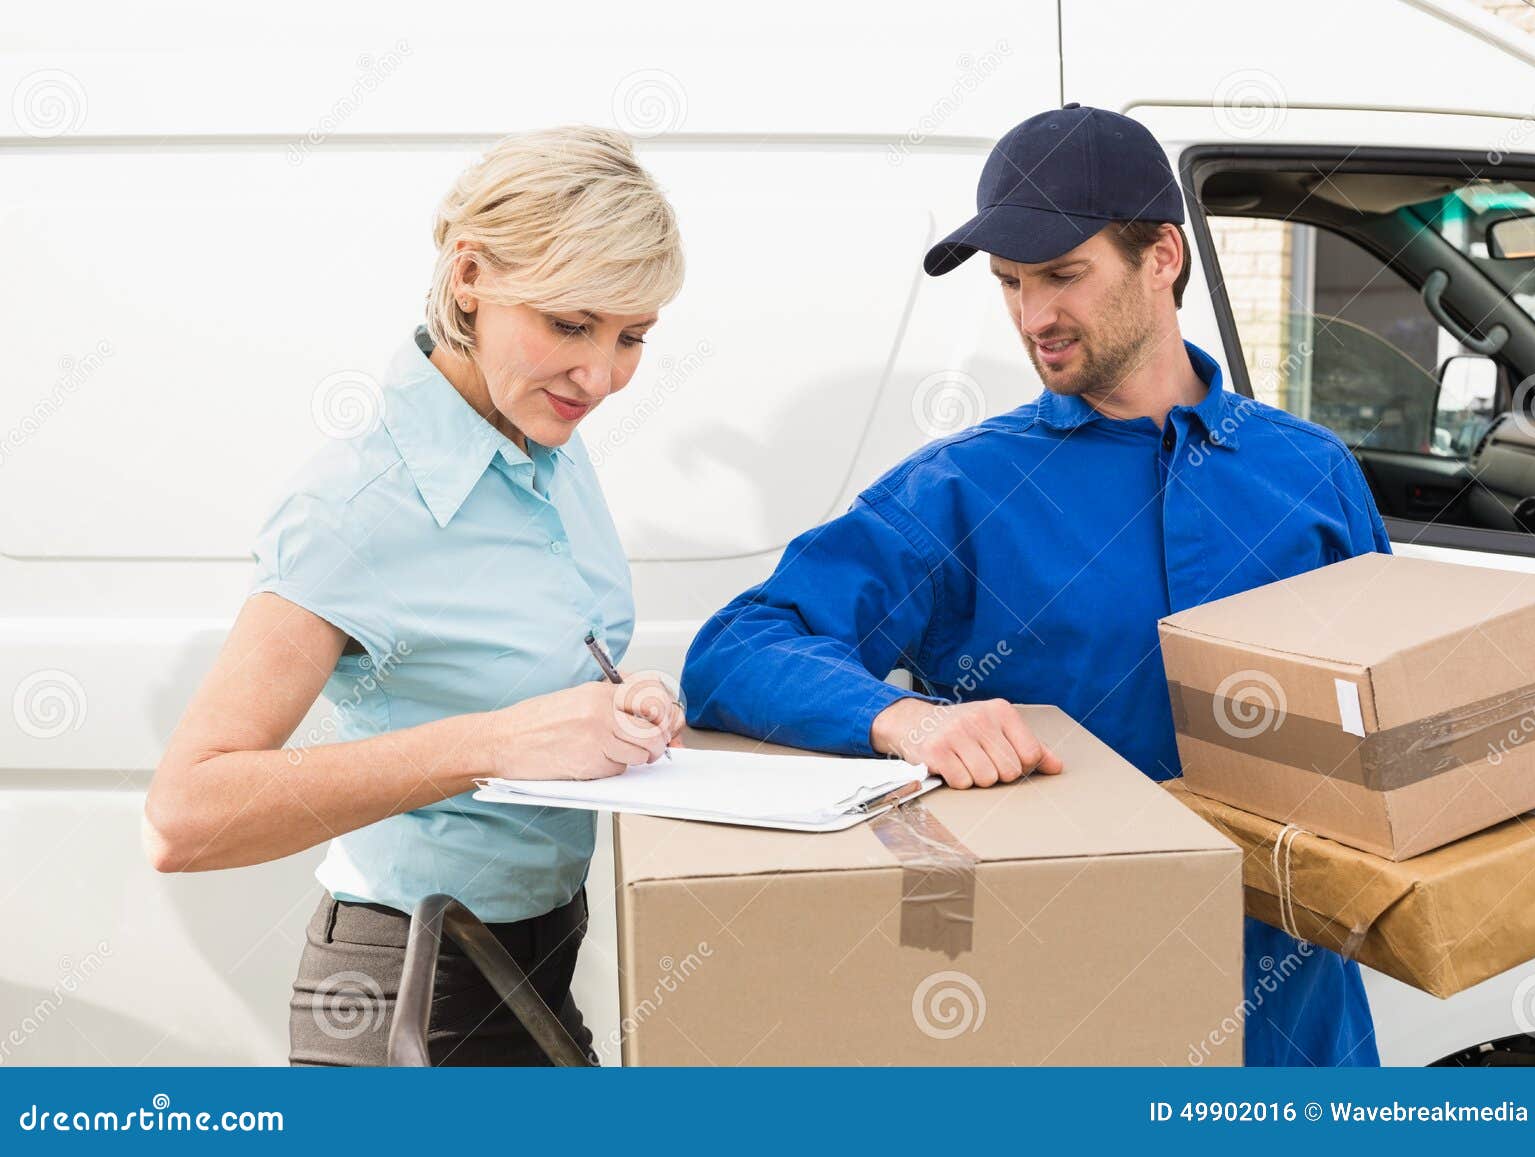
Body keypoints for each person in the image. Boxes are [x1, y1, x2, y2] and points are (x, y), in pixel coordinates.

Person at [681, 105, 1386, 1067]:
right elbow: (738, 648)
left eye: (1062, 275)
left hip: (1298, 1027)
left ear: (1163, 256)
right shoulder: (961, 490)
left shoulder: (1310, 472)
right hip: (1064, 1022)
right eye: (1010, 283)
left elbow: (1396, 696)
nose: (1032, 317)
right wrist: (909, 722)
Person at [143, 126, 688, 1066]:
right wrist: (500, 740)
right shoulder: (357, 504)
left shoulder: (541, 431)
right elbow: (184, 814)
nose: (601, 377)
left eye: (631, 336)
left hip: (541, 966)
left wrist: (611, 703)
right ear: (469, 277)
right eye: (569, 324)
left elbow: (500, 661)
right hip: (410, 992)